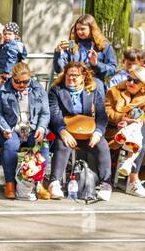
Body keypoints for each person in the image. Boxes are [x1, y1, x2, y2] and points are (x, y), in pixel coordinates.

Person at [47, 61, 111, 201]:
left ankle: (106, 184)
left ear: (83, 76)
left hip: (88, 132)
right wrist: (62, 131)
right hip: (65, 131)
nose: (71, 78)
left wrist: (98, 132)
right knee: (62, 144)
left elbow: (102, 115)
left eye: (75, 75)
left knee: (102, 145)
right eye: (69, 75)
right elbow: (54, 114)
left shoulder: (93, 91)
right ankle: (55, 182)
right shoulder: (56, 90)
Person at [0, 62, 50, 200]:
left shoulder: (38, 89)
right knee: (10, 145)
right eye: (18, 82)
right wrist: (5, 129)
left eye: (25, 82)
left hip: (32, 128)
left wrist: (41, 128)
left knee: (42, 144)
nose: (22, 85)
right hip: (11, 128)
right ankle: (10, 184)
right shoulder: (0, 90)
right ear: (12, 77)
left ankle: (38, 183)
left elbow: (45, 113)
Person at [106, 68, 145, 197]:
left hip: (135, 131)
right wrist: (121, 118)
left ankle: (130, 167)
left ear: (144, 84)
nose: (131, 83)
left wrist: (136, 121)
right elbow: (107, 111)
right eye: (129, 79)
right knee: (141, 136)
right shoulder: (114, 91)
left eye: (136, 81)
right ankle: (133, 179)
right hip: (114, 130)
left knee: (143, 129)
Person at [54, 14, 118, 85]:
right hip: (74, 84)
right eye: (77, 29)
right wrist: (58, 52)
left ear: (92, 29)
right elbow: (59, 69)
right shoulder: (73, 44)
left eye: (82, 29)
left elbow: (112, 70)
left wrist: (96, 64)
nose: (79, 32)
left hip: (95, 87)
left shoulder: (104, 45)